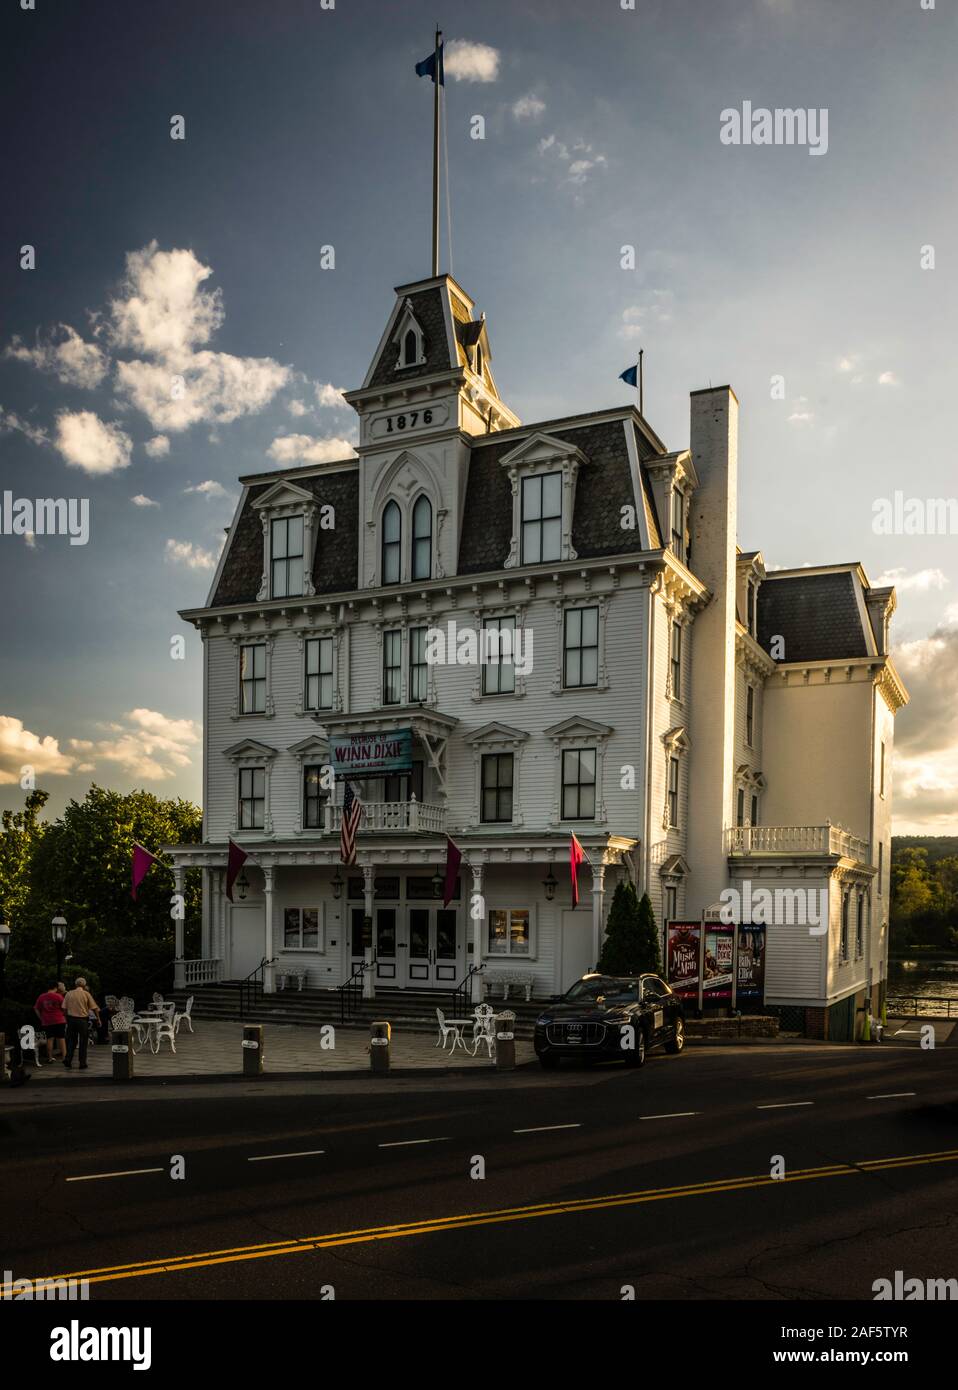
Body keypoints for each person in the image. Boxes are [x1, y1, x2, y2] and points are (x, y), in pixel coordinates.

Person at [63, 977, 100, 1070]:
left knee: (71, 1040)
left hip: (71, 1020)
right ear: (84, 985)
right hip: (82, 1020)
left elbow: (64, 1008)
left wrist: (67, 1017)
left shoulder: (68, 993)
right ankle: (82, 1063)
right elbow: (95, 1008)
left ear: (75, 984)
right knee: (83, 1042)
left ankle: (68, 1059)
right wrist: (98, 1019)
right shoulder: (86, 994)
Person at [34, 982, 67, 1065]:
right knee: (61, 1039)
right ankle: (64, 1058)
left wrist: (41, 1017)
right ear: (55, 988)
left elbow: (36, 1008)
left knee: (49, 1039)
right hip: (59, 1020)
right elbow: (64, 1007)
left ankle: (49, 1058)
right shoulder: (58, 996)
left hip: (47, 1021)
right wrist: (63, 1014)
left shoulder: (41, 997)